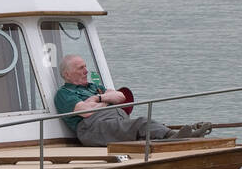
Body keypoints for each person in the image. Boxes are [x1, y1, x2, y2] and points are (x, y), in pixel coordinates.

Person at [53, 55, 211, 145]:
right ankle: (174, 137)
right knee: (140, 123)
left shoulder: (93, 87)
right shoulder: (64, 93)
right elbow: (87, 112)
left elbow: (121, 96)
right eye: (81, 68)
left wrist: (98, 98)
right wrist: (106, 101)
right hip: (93, 129)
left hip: (113, 121)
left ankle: (175, 137)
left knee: (136, 128)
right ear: (67, 74)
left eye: (85, 66)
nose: (86, 71)